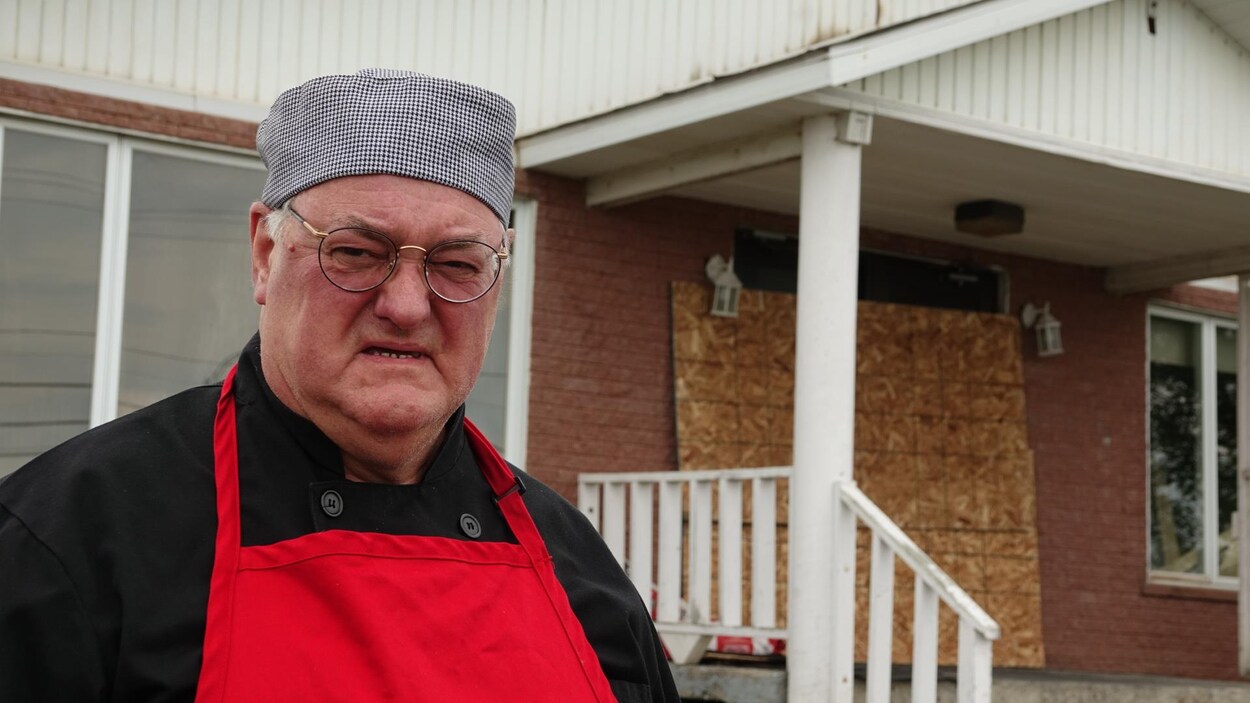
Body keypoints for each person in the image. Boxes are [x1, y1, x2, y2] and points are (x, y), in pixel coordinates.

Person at [0, 69, 679, 703]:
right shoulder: (69, 543)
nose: (409, 306)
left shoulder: (581, 572)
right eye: (355, 251)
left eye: (457, 263)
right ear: (266, 256)